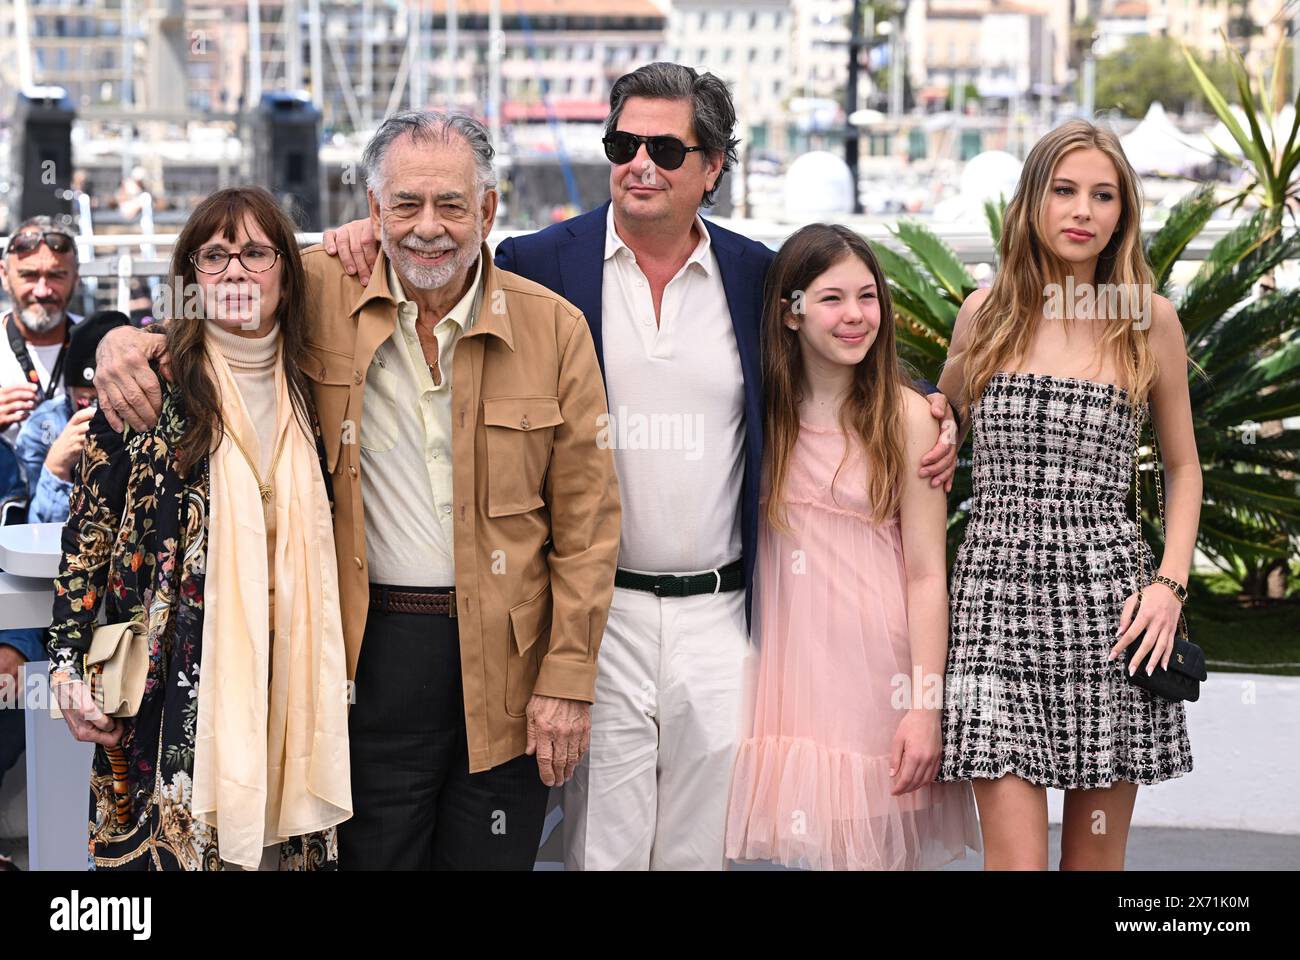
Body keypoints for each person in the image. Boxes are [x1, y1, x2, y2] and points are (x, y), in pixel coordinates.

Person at [324, 62, 961, 870]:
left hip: (722, 614)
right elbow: (430, 265)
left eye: (666, 147)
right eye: (624, 142)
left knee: (703, 851)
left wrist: (933, 400)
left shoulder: (753, 278)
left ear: (713, 168)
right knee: (603, 853)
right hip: (597, 615)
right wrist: (355, 234)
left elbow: (842, 339)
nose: (640, 164)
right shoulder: (535, 263)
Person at [91, 113, 621, 871]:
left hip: (509, 671)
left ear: (490, 212)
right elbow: (213, 304)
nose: (428, 228)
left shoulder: (554, 330)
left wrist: (567, 681)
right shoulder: (316, 291)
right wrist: (119, 341)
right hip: (365, 662)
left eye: (450, 205)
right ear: (372, 211)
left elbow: (589, 524)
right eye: (404, 205)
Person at [48, 187, 352, 870]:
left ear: (286, 271)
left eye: (255, 253)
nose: (237, 272)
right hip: (166, 705)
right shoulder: (146, 386)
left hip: (294, 690)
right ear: (189, 281)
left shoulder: (323, 385)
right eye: (213, 257)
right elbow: (87, 541)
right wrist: (65, 670)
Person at [935, 120, 1200, 870]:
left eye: (1103, 195)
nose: (1082, 210)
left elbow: (1184, 468)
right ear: (1033, 202)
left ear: (1123, 213)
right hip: (993, 600)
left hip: (1112, 607)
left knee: (1093, 864)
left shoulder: (1148, 323)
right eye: (1065, 190)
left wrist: (1168, 586)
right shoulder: (984, 315)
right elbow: (934, 422)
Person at [724, 224, 981, 871]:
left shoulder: (910, 418)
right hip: (783, 678)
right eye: (832, 298)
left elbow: (927, 574)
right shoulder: (758, 413)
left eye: (868, 297)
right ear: (792, 311)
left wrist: (925, 707)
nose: (856, 315)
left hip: (875, 678)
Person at [16, 310, 130, 523]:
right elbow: (31, 530)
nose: (100, 412)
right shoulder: (42, 428)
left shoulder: (150, 421)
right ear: (68, 390)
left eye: (112, 399)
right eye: (88, 402)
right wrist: (56, 469)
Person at [0, 216, 84, 446]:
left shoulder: (102, 342)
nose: (42, 290)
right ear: (4, 275)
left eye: (56, 275)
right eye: (29, 275)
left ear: (76, 278)